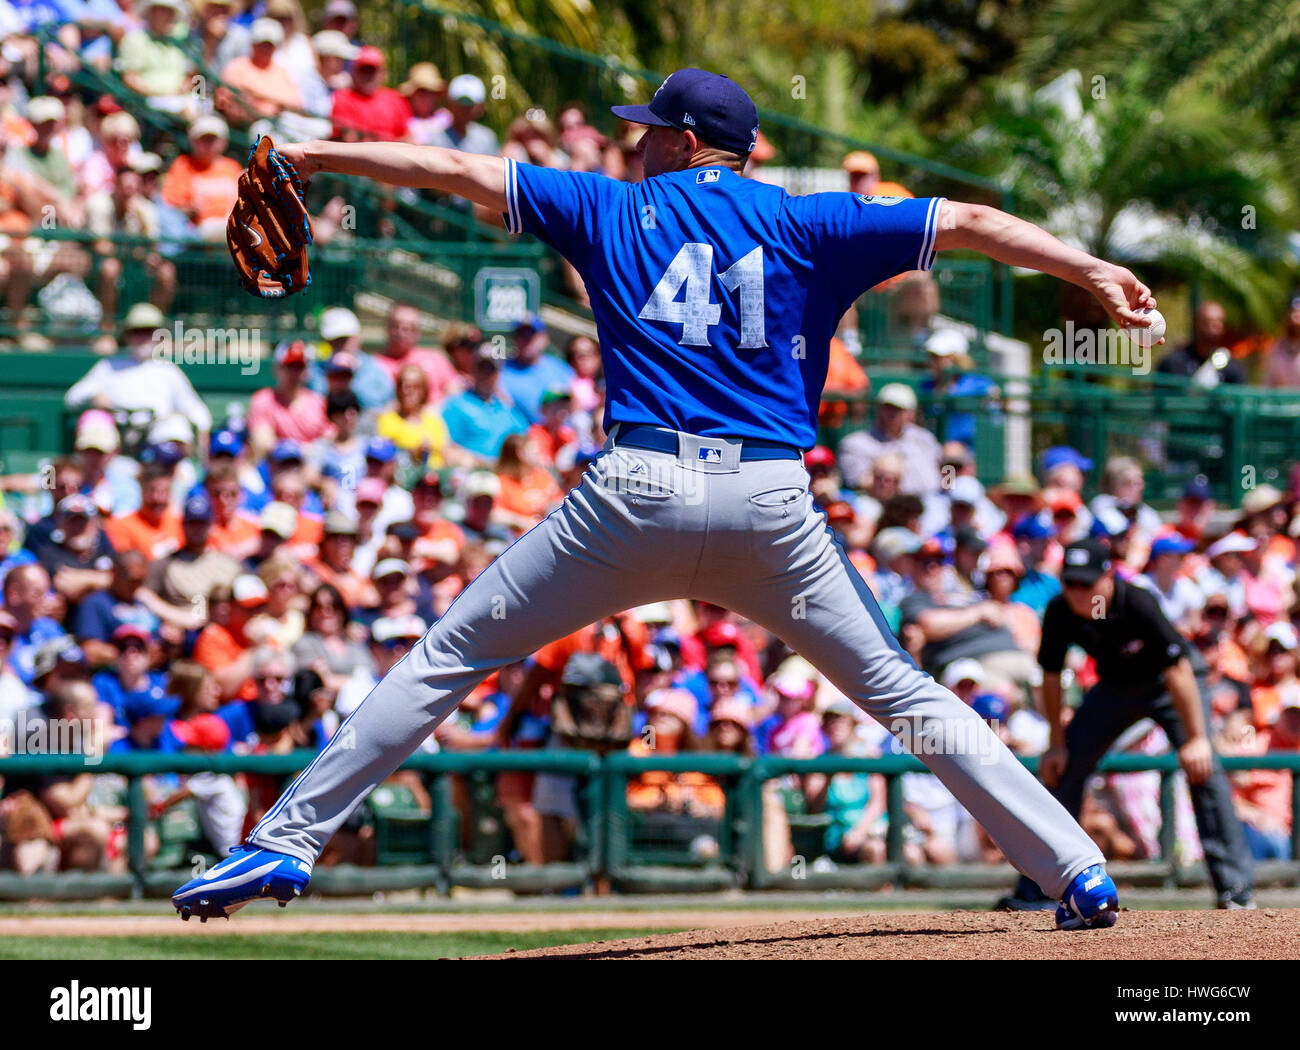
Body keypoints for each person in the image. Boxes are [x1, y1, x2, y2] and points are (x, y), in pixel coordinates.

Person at [176, 66, 1161, 928]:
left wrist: (315, 152)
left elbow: (453, 171)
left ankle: (287, 843)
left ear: (685, 142)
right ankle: (1073, 868)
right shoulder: (809, 217)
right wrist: (1089, 268)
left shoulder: (604, 206)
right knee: (902, 693)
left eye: (648, 126)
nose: (633, 138)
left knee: (452, 654)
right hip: (771, 503)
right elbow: (975, 223)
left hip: (634, 495)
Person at [1001, 539, 1255, 912]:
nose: (1077, 592)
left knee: (1203, 769)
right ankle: (1036, 891)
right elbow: (1051, 676)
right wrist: (1056, 741)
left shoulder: (1136, 601)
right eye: (1070, 582)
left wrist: (1198, 738)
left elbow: (1179, 667)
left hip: (1170, 684)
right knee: (1063, 768)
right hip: (1116, 687)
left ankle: (1235, 892)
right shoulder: (1060, 610)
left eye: (1085, 584)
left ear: (1107, 577)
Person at [1156, 300, 1245, 386]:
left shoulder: (1230, 366)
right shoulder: (1173, 363)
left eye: (1220, 321)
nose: (1216, 327)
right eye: (1209, 322)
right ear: (1197, 323)